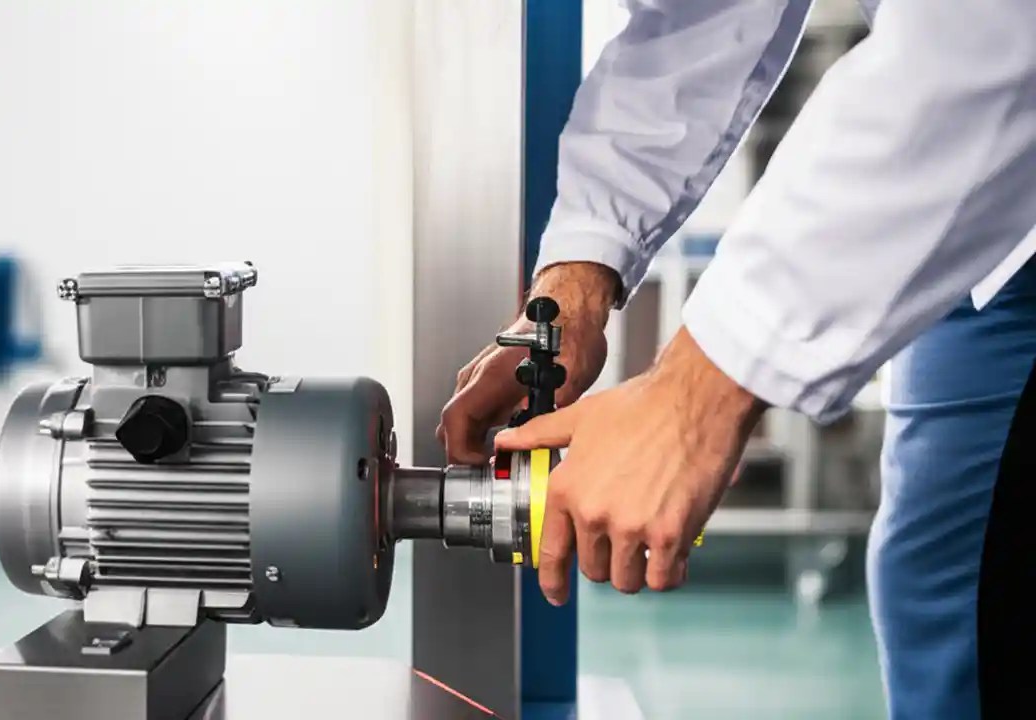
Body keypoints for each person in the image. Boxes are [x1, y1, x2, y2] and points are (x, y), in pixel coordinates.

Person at [436, 1, 1036, 718]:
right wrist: (579, 271)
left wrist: (698, 394)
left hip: (1000, 124)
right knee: (941, 600)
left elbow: (987, 44)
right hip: (998, 244)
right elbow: (701, 17)